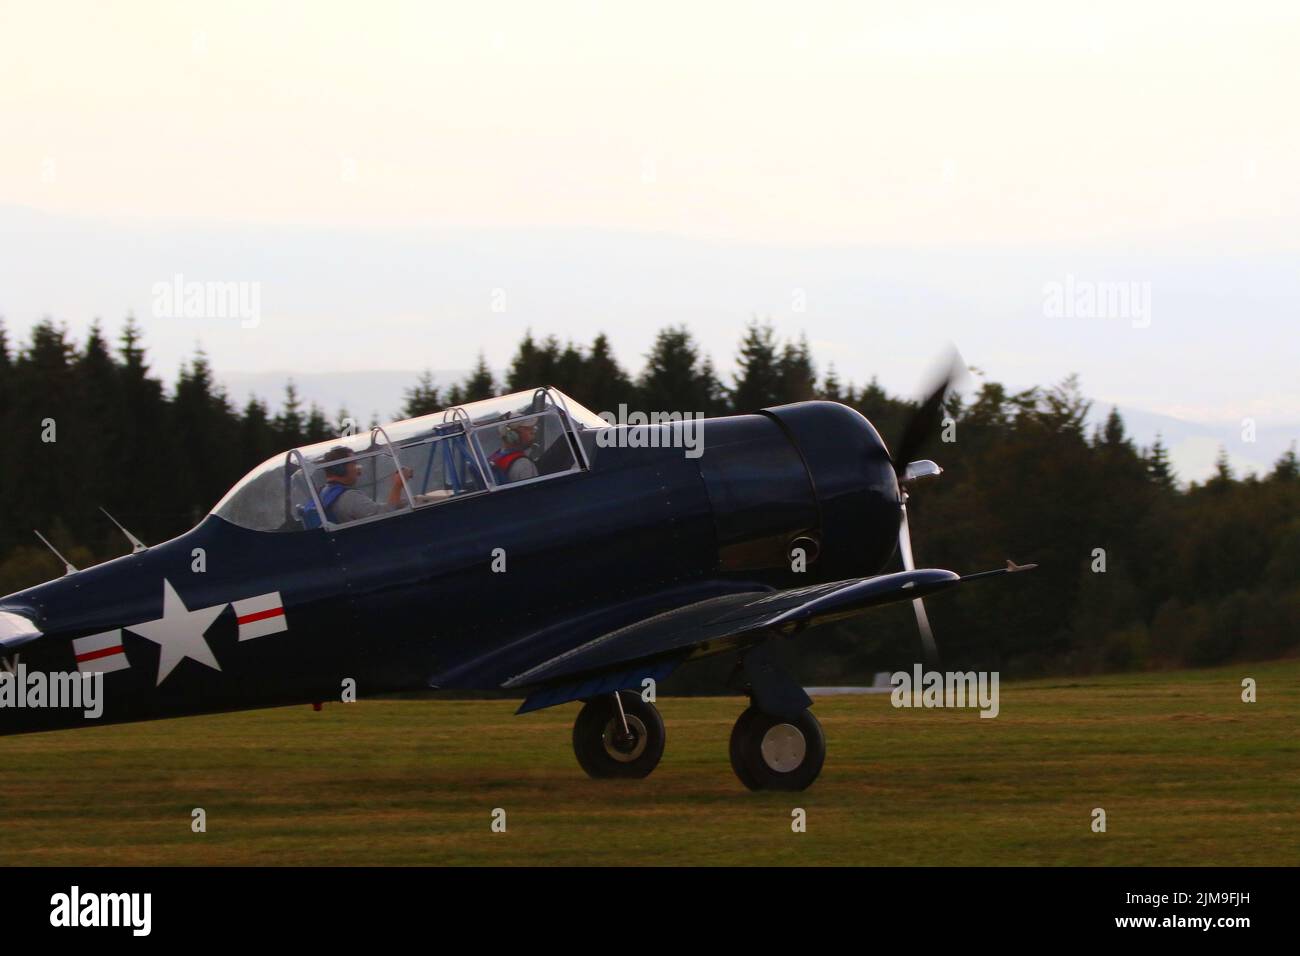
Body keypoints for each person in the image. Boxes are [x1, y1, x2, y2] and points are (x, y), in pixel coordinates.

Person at [314, 445, 413, 524]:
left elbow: (374, 511)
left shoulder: (324, 491)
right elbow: (385, 516)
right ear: (340, 468)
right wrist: (398, 484)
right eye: (354, 463)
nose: (358, 469)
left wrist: (402, 503)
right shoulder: (349, 497)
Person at [488, 415, 539, 483]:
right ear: (513, 435)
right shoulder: (523, 464)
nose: (533, 432)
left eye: (533, 428)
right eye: (527, 429)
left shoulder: (497, 455)